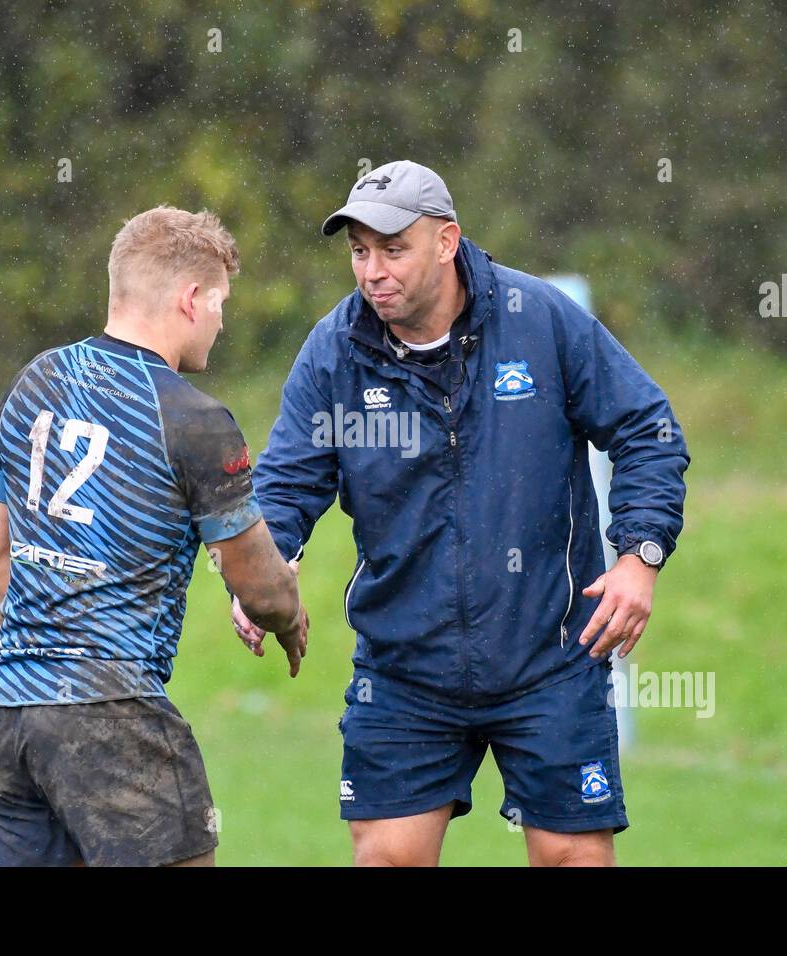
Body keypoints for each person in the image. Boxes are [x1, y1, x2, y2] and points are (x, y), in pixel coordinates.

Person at [233, 161, 689, 866]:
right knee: (387, 857)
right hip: (405, 664)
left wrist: (640, 556)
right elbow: (289, 477)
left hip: (551, 654)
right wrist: (265, 566)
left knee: (574, 857)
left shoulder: (537, 319)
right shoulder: (335, 352)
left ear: (446, 242)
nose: (372, 271)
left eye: (393, 249)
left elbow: (647, 429)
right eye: (359, 252)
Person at [0, 205, 309, 867]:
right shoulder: (193, 418)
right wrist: (289, 612)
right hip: (114, 719)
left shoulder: (31, 382)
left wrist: (42, 673)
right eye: (220, 303)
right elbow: (258, 584)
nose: (221, 320)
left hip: (6, 721)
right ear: (190, 298)